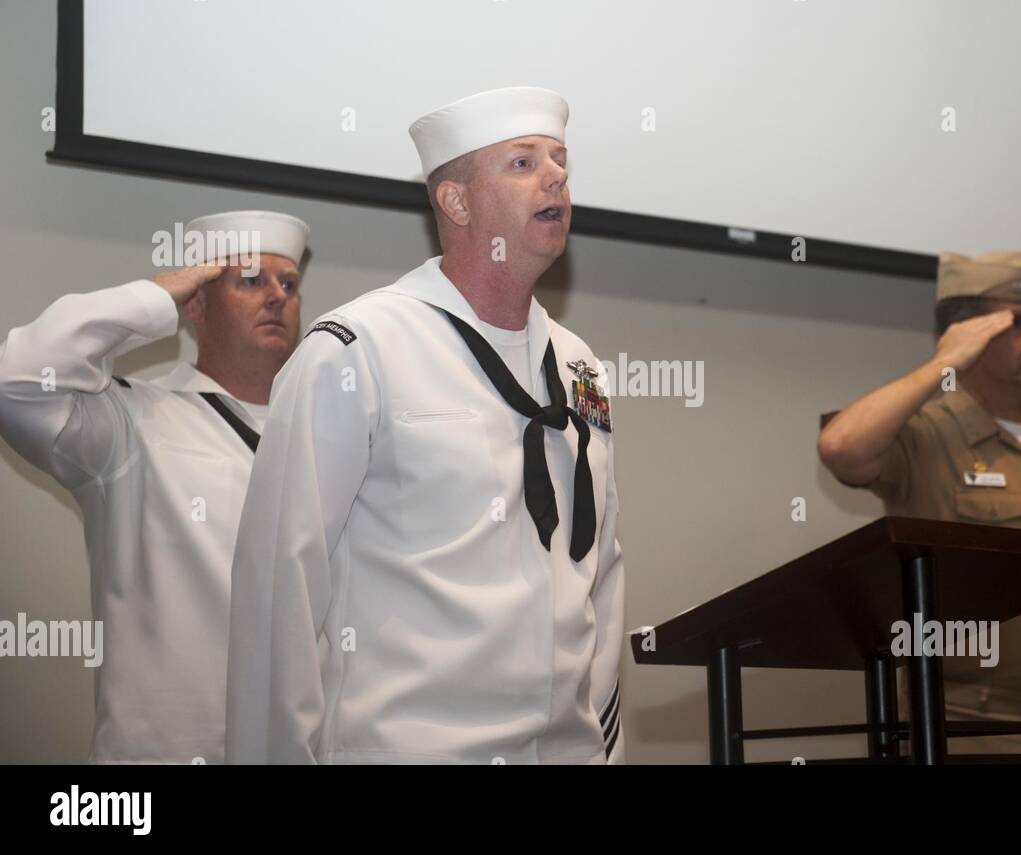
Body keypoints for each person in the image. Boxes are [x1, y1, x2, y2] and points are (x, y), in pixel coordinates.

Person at [225, 87, 626, 764]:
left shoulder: (580, 366)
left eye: (560, 159)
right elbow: (278, 590)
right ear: (457, 201)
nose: (557, 175)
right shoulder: (357, 351)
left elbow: (605, 575)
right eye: (523, 163)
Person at [0, 210, 309, 762]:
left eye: (289, 284)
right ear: (196, 304)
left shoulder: (327, 432)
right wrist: (156, 295)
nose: (276, 296)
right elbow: (16, 380)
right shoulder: (130, 423)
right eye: (249, 280)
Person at [818, 250, 1021, 761]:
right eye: (1018, 324)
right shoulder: (925, 436)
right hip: (964, 728)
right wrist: (944, 363)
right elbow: (841, 448)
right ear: (969, 333)